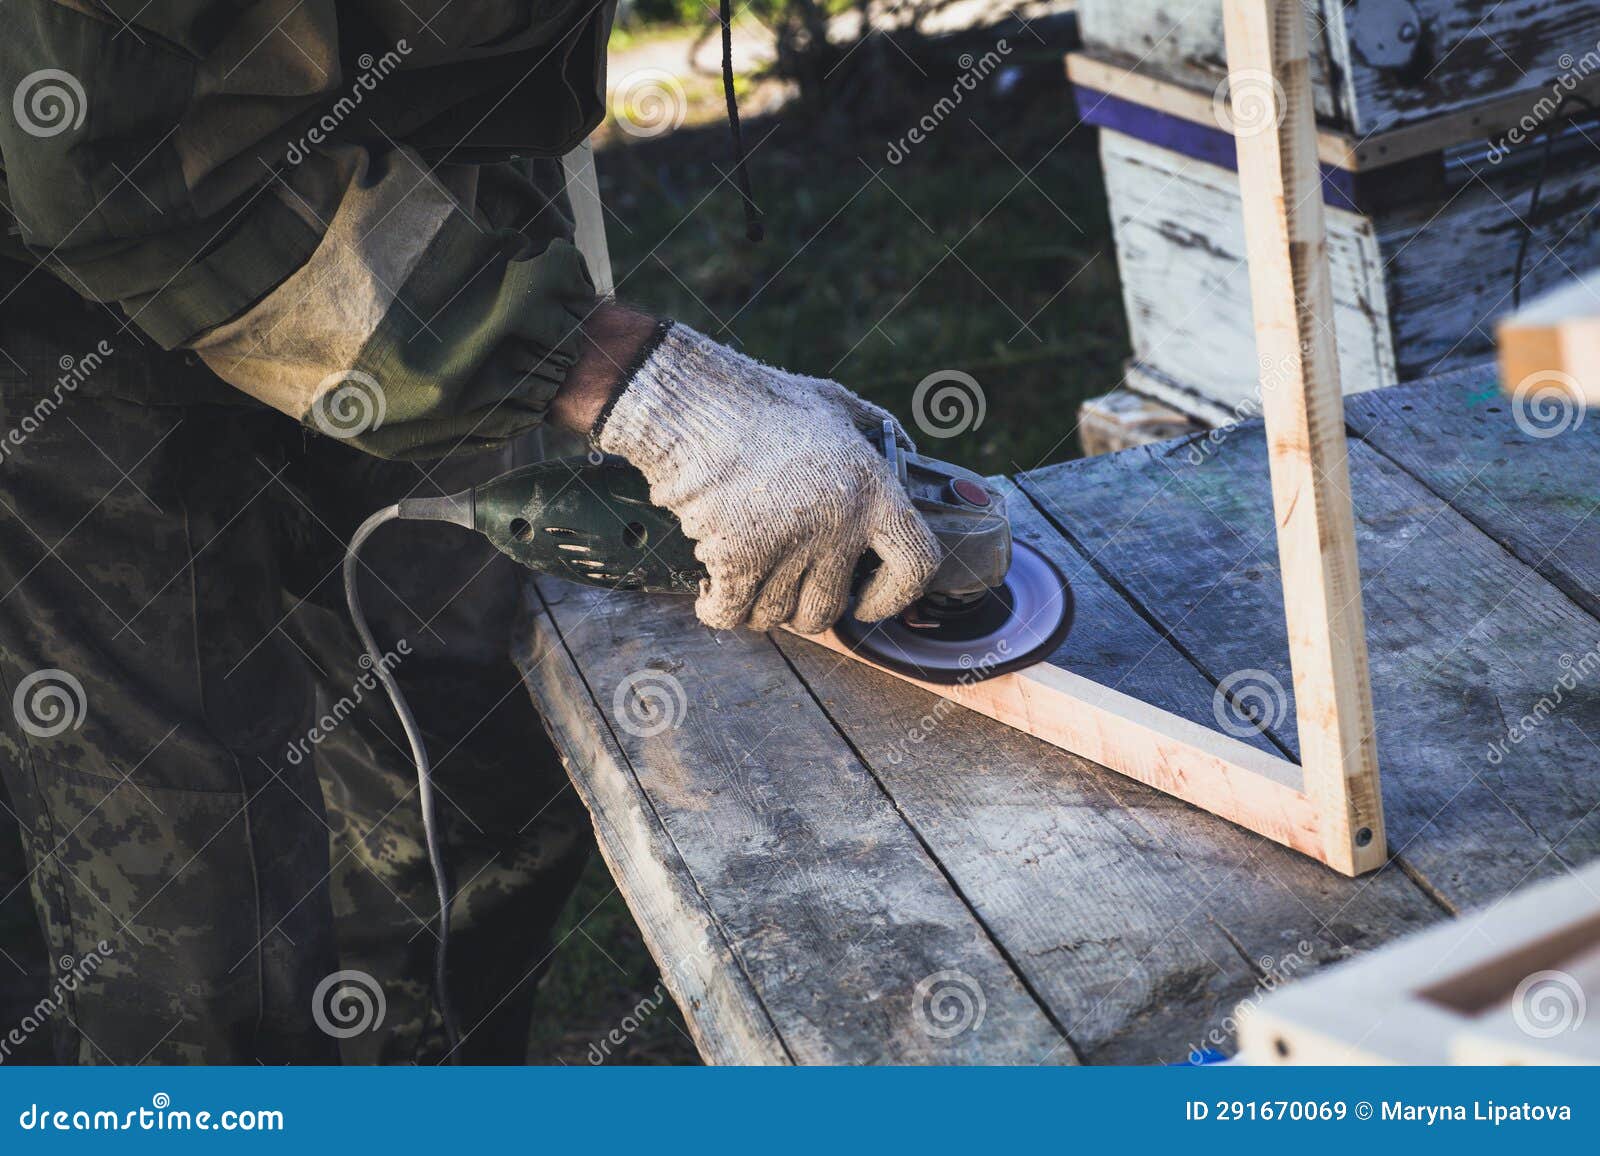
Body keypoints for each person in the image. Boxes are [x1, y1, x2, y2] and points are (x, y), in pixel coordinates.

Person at [0, 1, 939, 1063]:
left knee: (475, 748)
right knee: (199, 895)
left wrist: (592, 327)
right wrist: (625, 379)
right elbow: (98, 161)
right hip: (59, 289)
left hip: (403, 200)